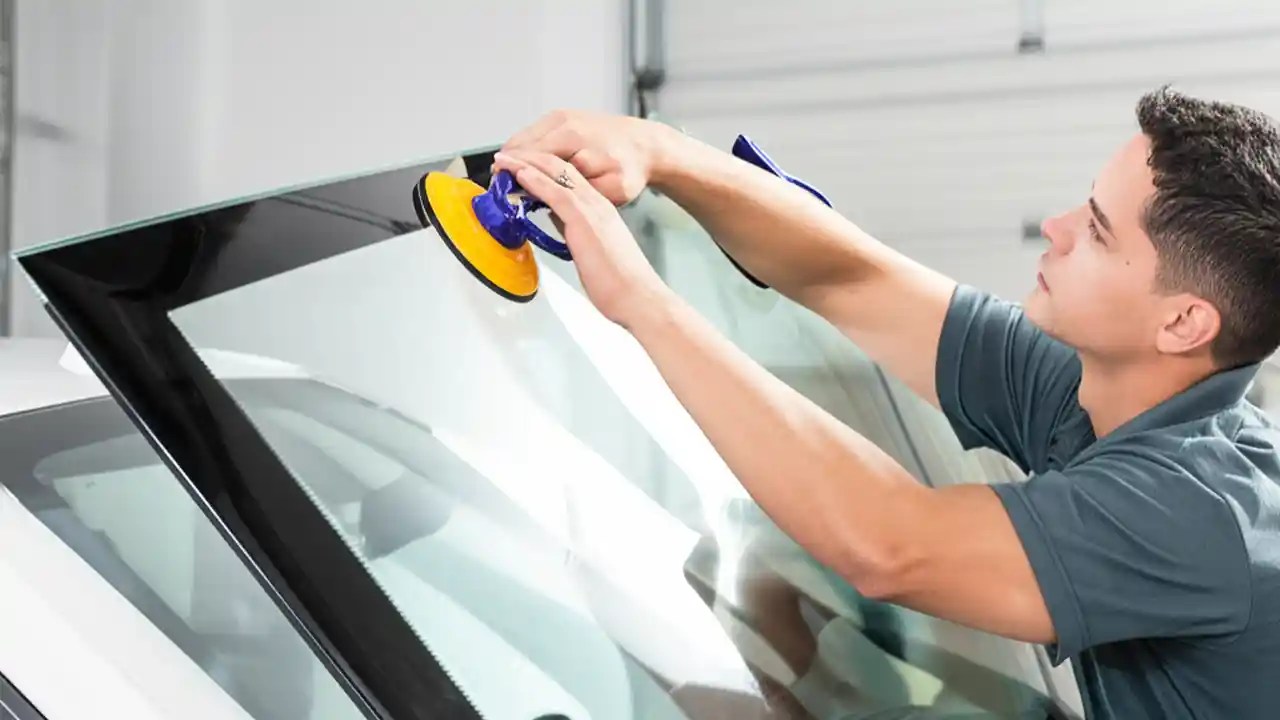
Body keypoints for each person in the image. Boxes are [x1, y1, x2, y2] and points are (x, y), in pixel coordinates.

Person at [492, 86, 1280, 719]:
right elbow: (853, 278)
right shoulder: (1100, 386)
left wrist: (640, 302)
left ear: (1183, 324)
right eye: (1085, 204)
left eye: (1099, 233)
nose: (1056, 227)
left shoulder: (1201, 513)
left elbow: (890, 546)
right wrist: (658, 152)